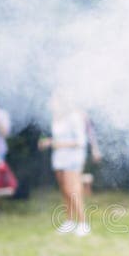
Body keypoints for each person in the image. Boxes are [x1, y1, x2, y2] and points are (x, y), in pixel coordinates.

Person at [38, 91, 98, 236]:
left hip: (73, 157)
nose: (50, 103)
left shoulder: (75, 117)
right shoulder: (56, 118)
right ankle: (69, 221)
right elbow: (57, 138)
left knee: (73, 189)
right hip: (59, 158)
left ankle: (84, 223)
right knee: (64, 190)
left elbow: (80, 142)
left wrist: (55, 143)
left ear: (61, 102)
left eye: (53, 100)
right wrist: (48, 142)